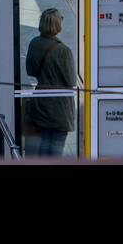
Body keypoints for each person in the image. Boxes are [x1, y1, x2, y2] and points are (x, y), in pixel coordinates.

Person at [24, 8, 76, 156]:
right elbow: (71, 80)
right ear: (57, 25)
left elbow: (31, 71)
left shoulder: (34, 43)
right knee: (56, 147)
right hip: (60, 108)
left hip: (40, 103)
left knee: (44, 143)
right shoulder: (63, 50)